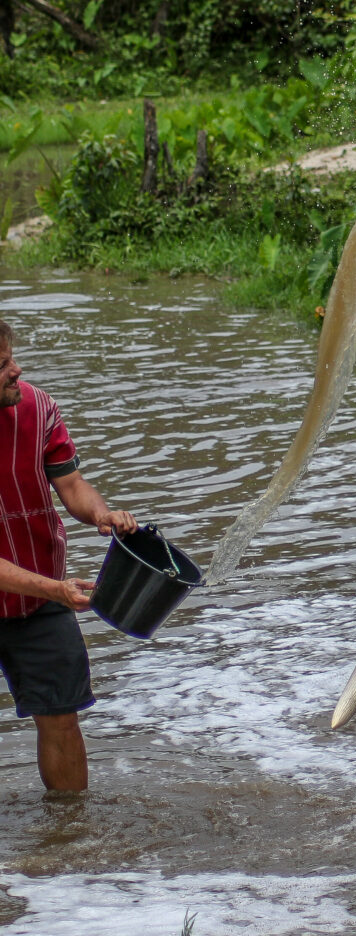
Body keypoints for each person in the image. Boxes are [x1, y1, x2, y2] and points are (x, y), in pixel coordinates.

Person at [0, 319, 137, 792]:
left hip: (39, 603)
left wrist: (101, 514)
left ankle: (71, 840)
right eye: (2, 365)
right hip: (45, 589)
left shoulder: (37, 408)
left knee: (61, 717)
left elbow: (72, 484)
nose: (17, 370)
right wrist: (55, 588)